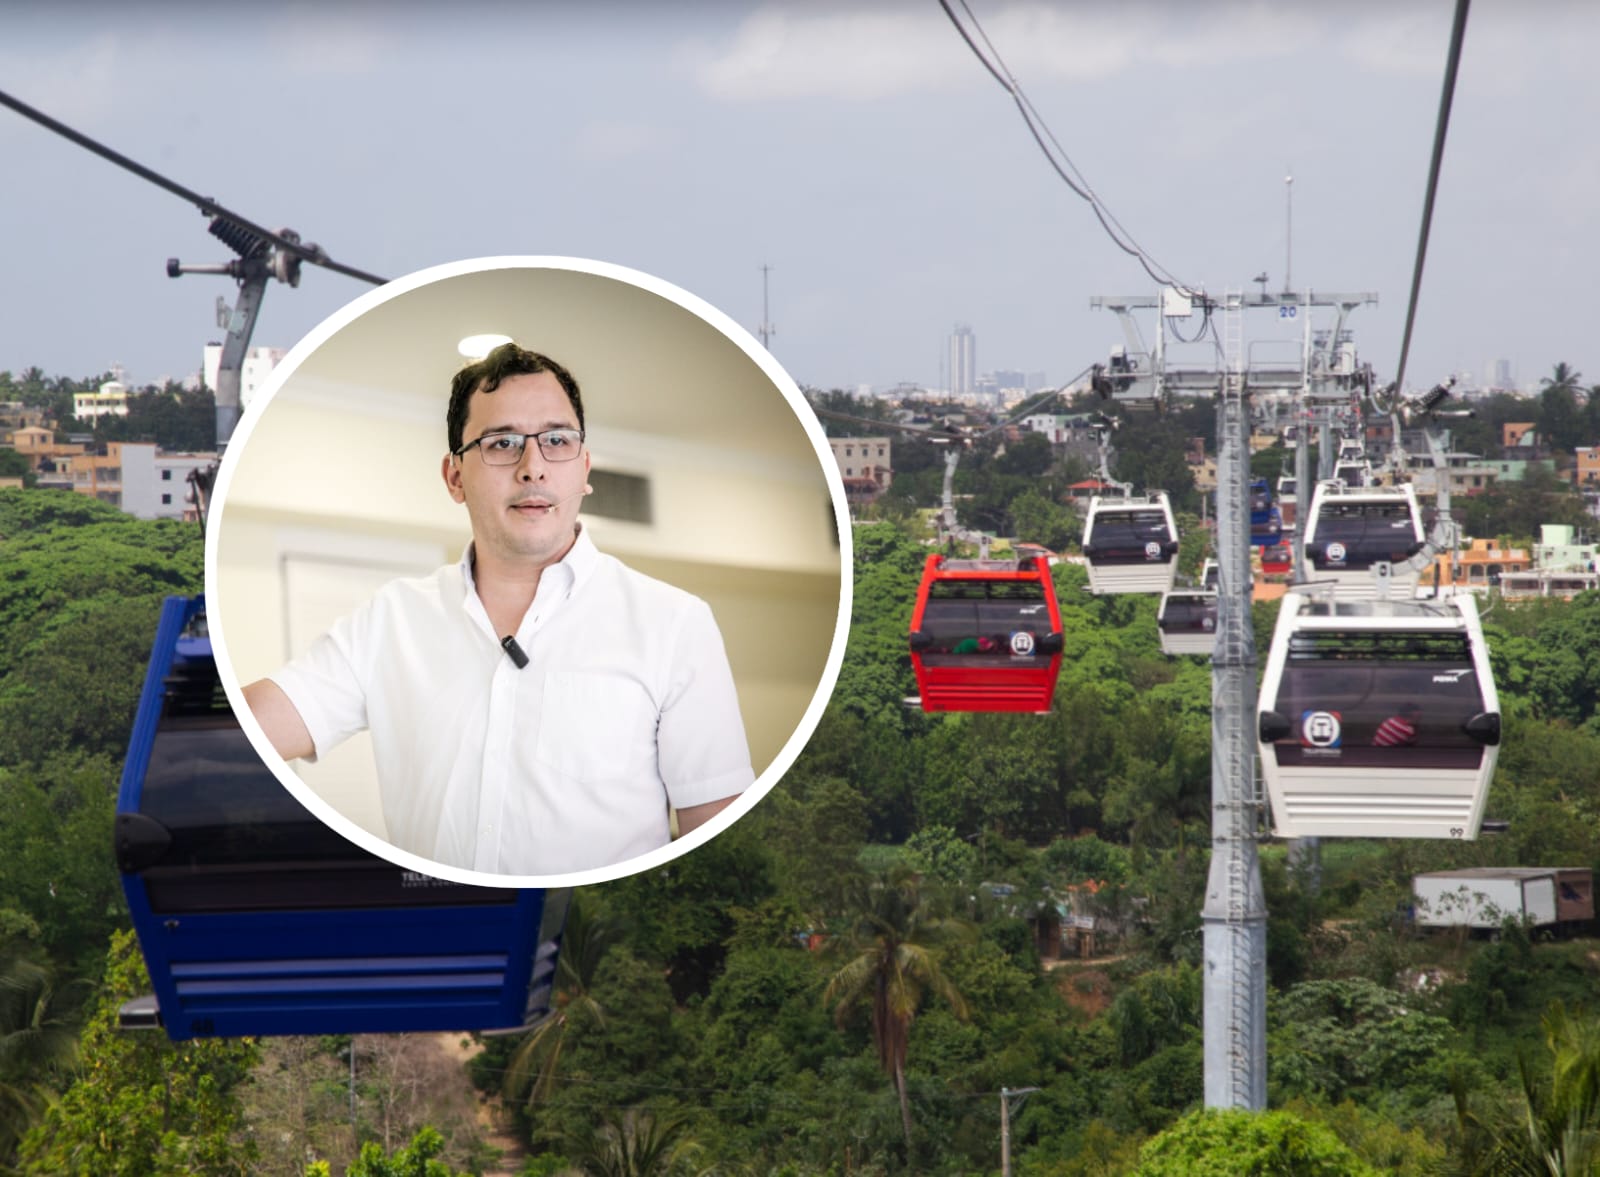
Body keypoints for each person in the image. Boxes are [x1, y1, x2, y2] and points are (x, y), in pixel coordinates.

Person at [242, 343, 753, 875]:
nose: (533, 468)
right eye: (502, 443)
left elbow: (718, 848)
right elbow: (246, 731)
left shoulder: (673, 623)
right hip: (437, 942)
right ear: (454, 477)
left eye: (556, 440)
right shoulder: (391, 621)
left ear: (584, 468)